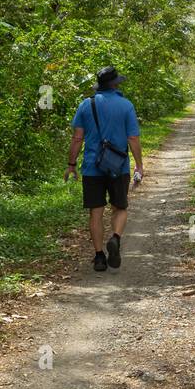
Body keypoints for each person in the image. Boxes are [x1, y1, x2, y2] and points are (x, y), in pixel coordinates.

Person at [64, 65, 144, 272]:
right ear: (115, 84)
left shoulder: (85, 105)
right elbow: (133, 138)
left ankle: (99, 257)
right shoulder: (126, 105)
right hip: (118, 167)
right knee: (120, 208)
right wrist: (139, 165)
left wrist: (71, 165)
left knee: (95, 213)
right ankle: (115, 238)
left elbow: (77, 138)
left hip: (92, 167)